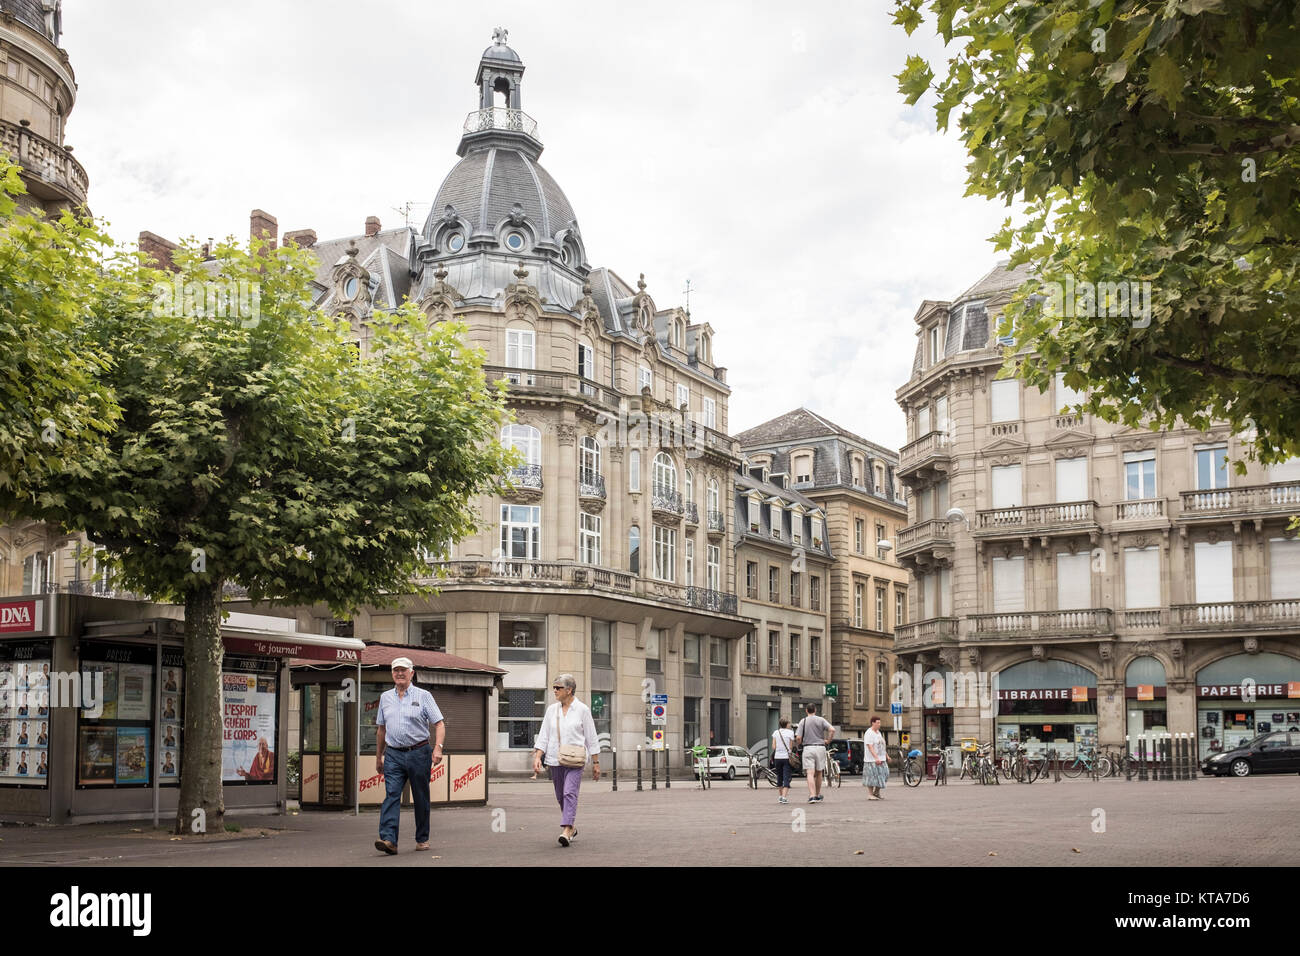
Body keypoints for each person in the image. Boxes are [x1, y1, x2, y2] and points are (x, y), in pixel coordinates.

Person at [374, 657, 445, 855]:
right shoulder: (385, 698)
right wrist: (379, 756)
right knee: (391, 795)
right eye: (396, 670)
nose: (399, 673)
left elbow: (439, 724)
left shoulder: (424, 696)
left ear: (411, 673)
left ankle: (422, 838)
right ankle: (388, 839)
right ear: (392, 674)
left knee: (421, 796)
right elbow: (381, 729)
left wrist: (438, 748)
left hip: (419, 752)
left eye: (403, 670)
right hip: (394, 753)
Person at [531, 673, 600, 847]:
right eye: (554, 687)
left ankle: (567, 829)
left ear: (569, 690)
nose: (554, 690)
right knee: (561, 796)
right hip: (555, 759)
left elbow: (591, 737)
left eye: (558, 687)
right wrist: (538, 756)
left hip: (575, 760)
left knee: (569, 792)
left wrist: (596, 762)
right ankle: (572, 826)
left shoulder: (582, 709)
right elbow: (544, 735)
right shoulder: (551, 710)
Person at [794, 702, 834, 802]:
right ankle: (817, 794)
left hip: (808, 748)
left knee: (810, 773)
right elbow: (832, 730)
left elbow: (798, 737)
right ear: (815, 710)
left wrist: (800, 743)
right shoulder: (821, 720)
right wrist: (828, 741)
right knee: (819, 772)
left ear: (806, 710)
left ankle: (812, 795)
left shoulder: (803, 721)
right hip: (820, 747)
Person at [771, 716, 796, 804]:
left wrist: (779, 748)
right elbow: (791, 746)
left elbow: (773, 746)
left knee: (779, 777)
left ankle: (780, 796)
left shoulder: (775, 732)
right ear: (787, 724)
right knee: (786, 777)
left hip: (777, 757)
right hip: (786, 758)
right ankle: (784, 797)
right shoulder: (790, 733)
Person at [863, 715, 889, 800]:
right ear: (873, 723)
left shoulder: (879, 732)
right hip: (871, 760)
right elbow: (870, 746)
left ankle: (876, 792)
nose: (879, 724)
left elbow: (881, 745)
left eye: (879, 722)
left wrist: (887, 755)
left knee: (885, 774)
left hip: (882, 758)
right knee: (872, 777)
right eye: (878, 723)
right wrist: (876, 757)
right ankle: (870, 794)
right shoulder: (869, 733)